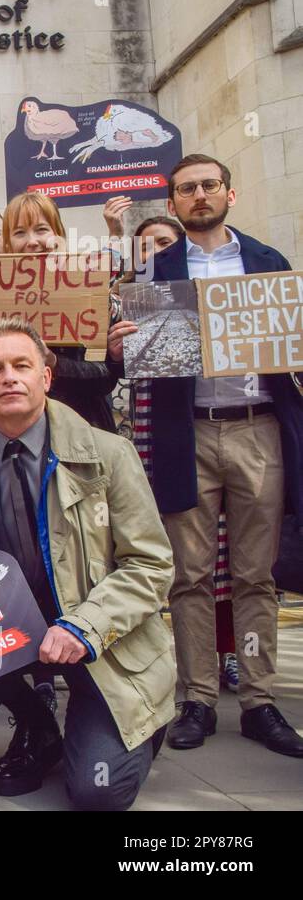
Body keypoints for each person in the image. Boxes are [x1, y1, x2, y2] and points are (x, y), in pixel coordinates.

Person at [107, 154, 303, 757]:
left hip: (257, 428)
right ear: (172, 203)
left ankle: (260, 701)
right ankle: (197, 698)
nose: (198, 196)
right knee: (188, 574)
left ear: (229, 193)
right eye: (186, 189)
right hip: (184, 432)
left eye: (208, 186)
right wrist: (119, 348)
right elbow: (133, 364)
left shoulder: (268, 263)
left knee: (255, 574)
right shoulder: (155, 270)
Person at [0, 317, 174, 809]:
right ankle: (37, 724)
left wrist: (81, 627)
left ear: (45, 377)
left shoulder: (110, 455)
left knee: (98, 793)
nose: (9, 377)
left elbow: (151, 567)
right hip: (21, 629)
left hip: (102, 637)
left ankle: (139, 711)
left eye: (22, 366)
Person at [0, 192, 119, 433]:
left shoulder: (89, 289)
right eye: (20, 232)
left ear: (59, 235)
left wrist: (54, 363)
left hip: (85, 431)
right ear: (8, 243)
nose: (32, 241)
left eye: (41, 229)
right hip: (16, 435)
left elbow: (104, 377)